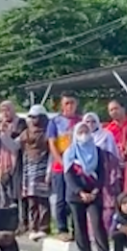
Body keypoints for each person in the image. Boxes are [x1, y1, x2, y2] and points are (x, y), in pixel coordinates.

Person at [63, 120, 111, 251]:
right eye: (80, 132)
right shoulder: (70, 152)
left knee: (97, 224)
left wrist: (96, 190)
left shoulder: (97, 151)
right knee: (79, 226)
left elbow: (102, 173)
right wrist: (80, 192)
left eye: (86, 131)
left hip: (94, 193)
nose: (84, 135)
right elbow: (68, 176)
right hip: (76, 195)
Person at [47, 94, 81, 238]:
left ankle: (77, 229)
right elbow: (52, 144)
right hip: (60, 167)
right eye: (66, 103)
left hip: (77, 166)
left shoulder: (81, 121)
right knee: (61, 199)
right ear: (62, 105)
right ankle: (62, 229)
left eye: (72, 103)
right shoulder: (55, 122)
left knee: (75, 198)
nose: (69, 106)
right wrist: (61, 161)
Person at [20, 105, 51, 239]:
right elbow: (14, 145)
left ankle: (44, 227)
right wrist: (4, 134)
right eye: (31, 117)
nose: (33, 120)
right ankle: (34, 227)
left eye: (36, 117)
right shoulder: (26, 133)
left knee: (43, 200)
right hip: (29, 170)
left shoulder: (48, 132)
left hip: (44, 169)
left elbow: (52, 152)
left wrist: (49, 171)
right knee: (32, 200)